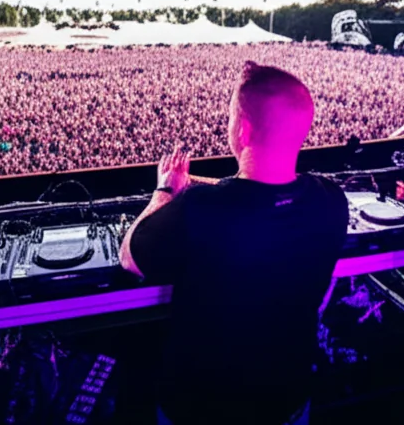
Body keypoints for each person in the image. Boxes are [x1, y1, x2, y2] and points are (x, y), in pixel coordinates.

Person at [119, 61, 350, 425]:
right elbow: (260, 196)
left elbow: (131, 257)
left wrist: (165, 190)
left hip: (201, 408)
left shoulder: (200, 210)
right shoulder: (330, 200)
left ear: (242, 128)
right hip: (285, 400)